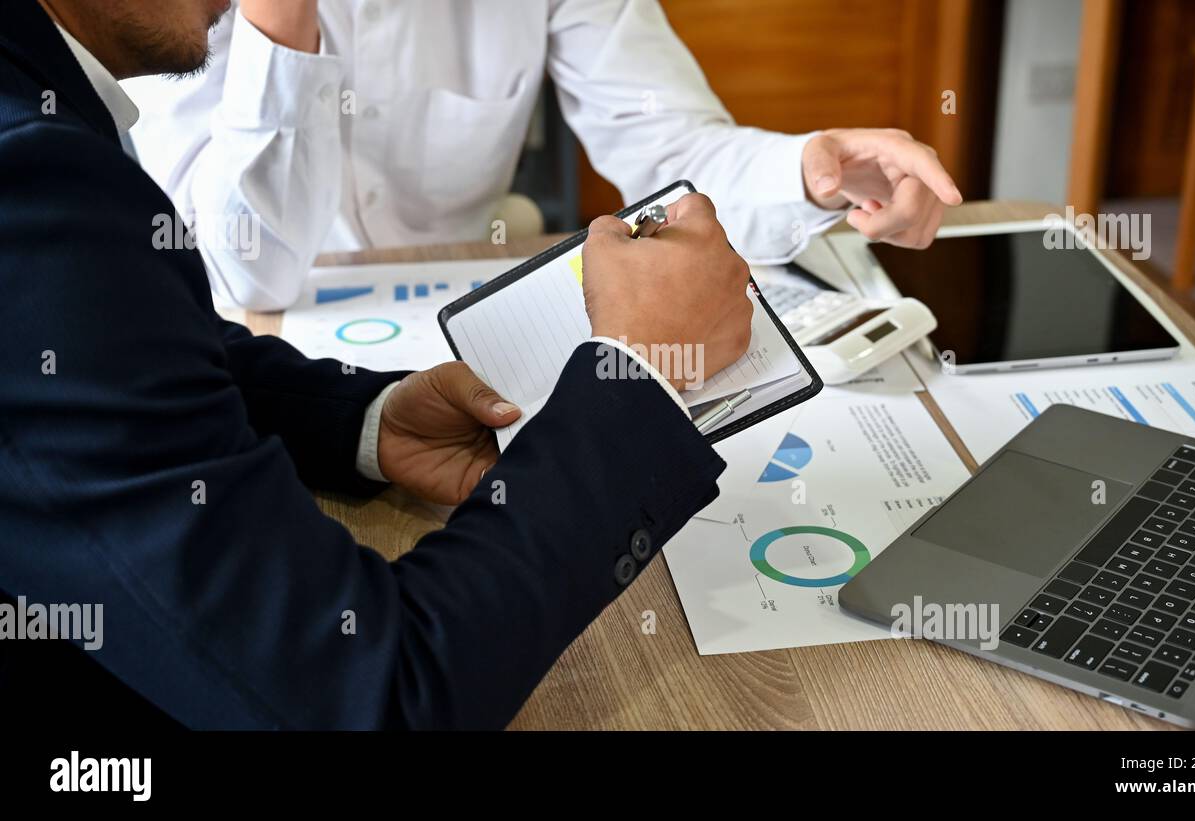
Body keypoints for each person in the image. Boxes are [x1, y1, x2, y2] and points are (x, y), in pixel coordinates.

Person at [0, 0, 754, 730]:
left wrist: (360, 420)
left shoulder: (45, 119)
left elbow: (137, 341)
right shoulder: (38, 182)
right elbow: (380, 695)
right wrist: (638, 370)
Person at [125, 0, 963, 310]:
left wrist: (807, 170)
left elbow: (671, 151)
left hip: (459, 314)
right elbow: (248, 272)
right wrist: (282, 18)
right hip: (263, 341)